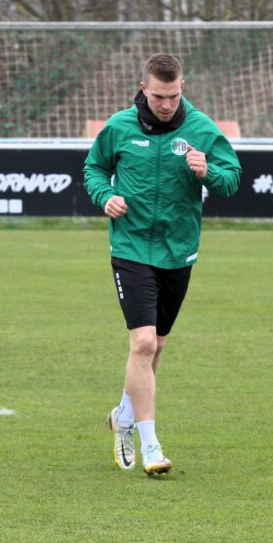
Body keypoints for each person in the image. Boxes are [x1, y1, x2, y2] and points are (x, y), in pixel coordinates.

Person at [83, 53, 240, 476]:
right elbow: (94, 168)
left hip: (178, 250)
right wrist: (104, 196)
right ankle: (150, 444)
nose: (165, 104)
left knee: (159, 345)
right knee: (143, 343)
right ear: (143, 88)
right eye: (158, 96)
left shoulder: (202, 129)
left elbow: (231, 180)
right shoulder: (119, 127)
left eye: (172, 96)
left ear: (182, 87)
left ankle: (123, 415)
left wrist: (207, 171)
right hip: (131, 249)